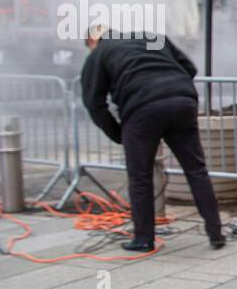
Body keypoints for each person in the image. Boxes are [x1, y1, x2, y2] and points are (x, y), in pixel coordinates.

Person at [79, 23, 225, 251]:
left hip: (142, 110)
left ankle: (144, 239)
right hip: (182, 101)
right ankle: (216, 233)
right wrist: (174, 86)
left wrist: (118, 134)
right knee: (196, 171)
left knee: (140, 177)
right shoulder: (152, 37)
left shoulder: (100, 53)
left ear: (92, 42)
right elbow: (189, 68)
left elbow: (93, 103)